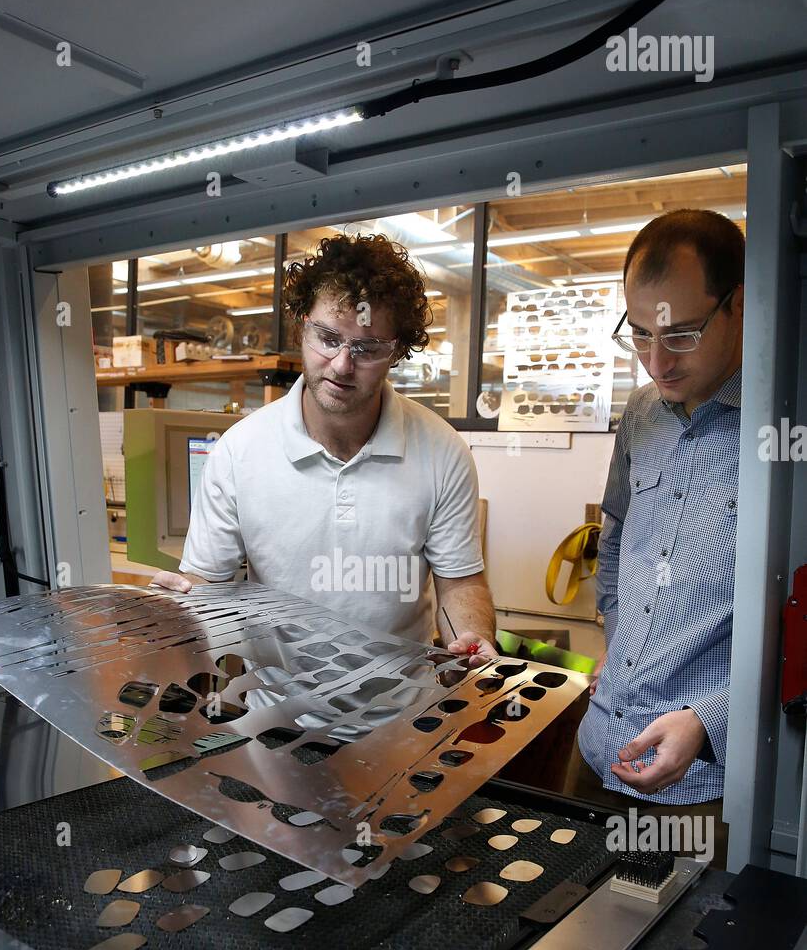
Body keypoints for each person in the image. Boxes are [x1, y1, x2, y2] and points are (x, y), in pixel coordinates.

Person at [151, 233, 497, 664]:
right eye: (328, 338)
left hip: (406, 713)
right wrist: (179, 603)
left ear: (395, 352)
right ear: (302, 326)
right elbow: (206, 584)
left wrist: (470, 636)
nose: (342, 365)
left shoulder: (442, 451)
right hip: (276, 715)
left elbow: (459, 582)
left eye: (366, 348)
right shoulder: (239, 452)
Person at [572, 209, 745, 867]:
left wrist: (710, 720)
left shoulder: (787, 426)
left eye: (680, 335)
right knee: (556, 935)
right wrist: (616, 646)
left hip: (698, 786)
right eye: (639, 335)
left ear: (739, 304)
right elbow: (614, 544)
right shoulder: (643, 413)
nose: (656, 362)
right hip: (597, 748)